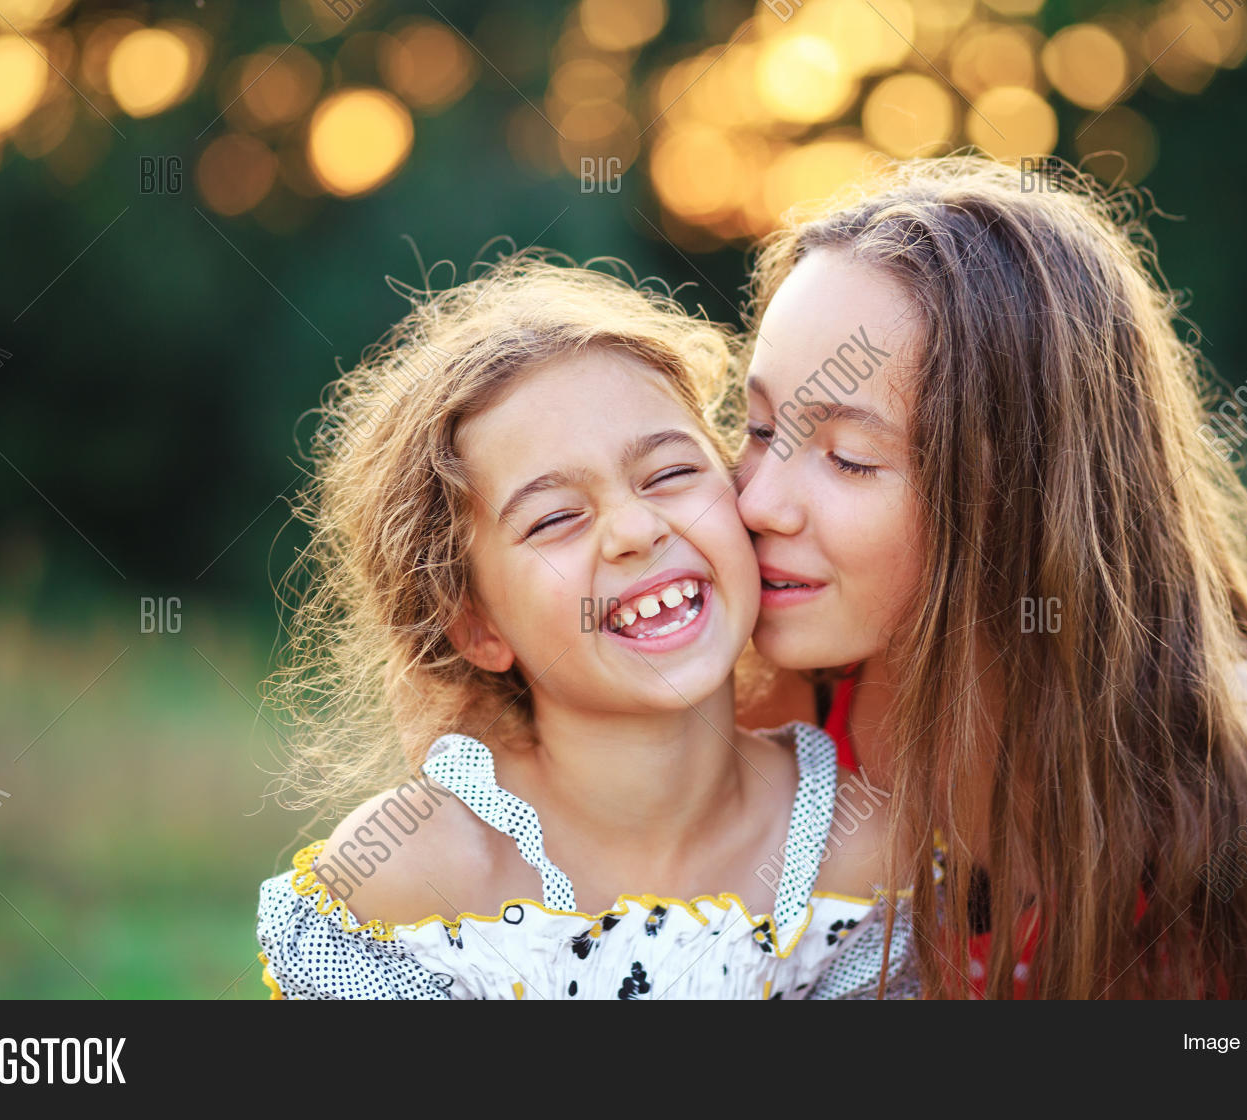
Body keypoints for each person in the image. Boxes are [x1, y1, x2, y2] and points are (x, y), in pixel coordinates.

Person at [737, 156, 1247, 999]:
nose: (758, 501)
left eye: (847, 459)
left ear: (1016, 496)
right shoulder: (766, 699)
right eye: (758, 426)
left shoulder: (1227, 796)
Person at [256, 255, 891, 999]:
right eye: (556, 518)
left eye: (669, 475)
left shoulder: (860, 853)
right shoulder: (408, 879)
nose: (634, 530)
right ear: (475, 626)